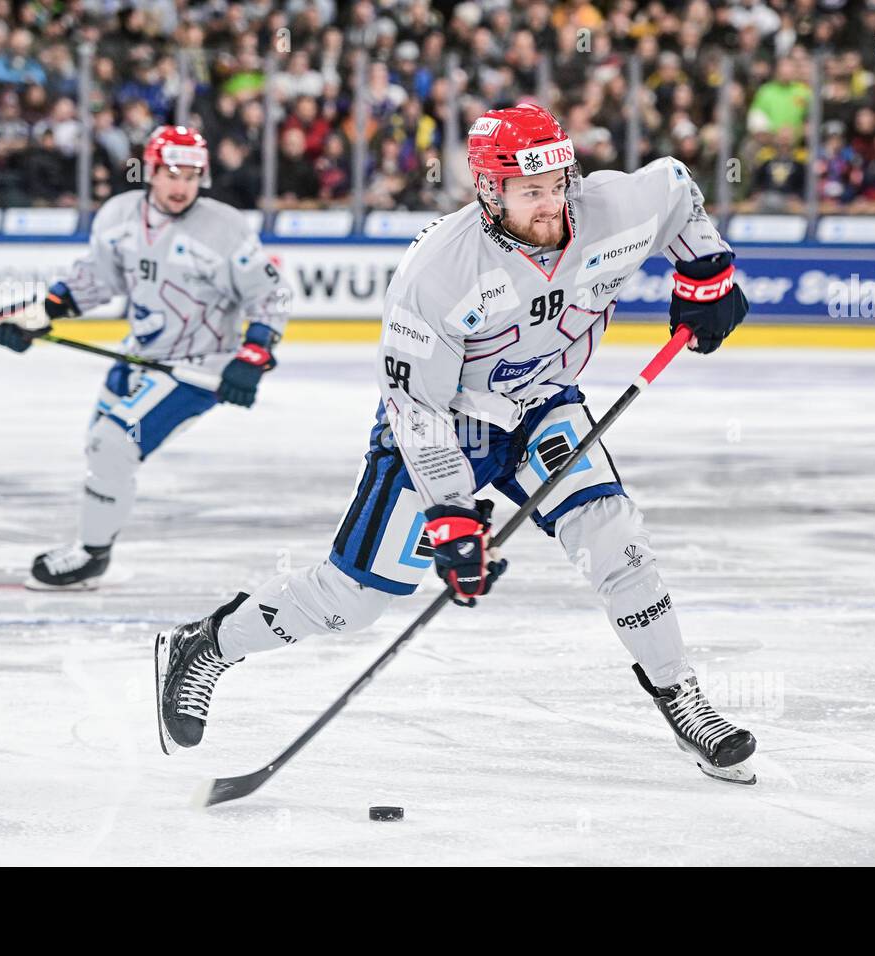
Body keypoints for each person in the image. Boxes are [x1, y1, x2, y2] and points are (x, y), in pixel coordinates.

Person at [153, 104, 757, 784]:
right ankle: (208, 645)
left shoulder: (610, 206)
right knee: (353, 600)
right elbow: (415, 406)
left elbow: (677, 188)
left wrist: (706, 275)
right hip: (449, 424)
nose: (552, 203)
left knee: (616, 541)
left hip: (545, 406)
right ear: (489, 190)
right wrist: (451, 514)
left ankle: (683, 698)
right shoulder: (439, 270)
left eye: (559, 181)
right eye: (532, 191)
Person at [0, 125, 292, 590]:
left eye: (191, 176)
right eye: (171, 173)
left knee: (113, 442)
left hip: (198, 365)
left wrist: (253, 356)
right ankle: (95, 547)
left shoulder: (225, 227)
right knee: (101, 448)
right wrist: (34, 317)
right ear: (150, 170)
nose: (180, 186)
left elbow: (270, 296)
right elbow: (94, 281)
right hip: (141, 355)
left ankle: (90, 556)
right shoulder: (118, 216)